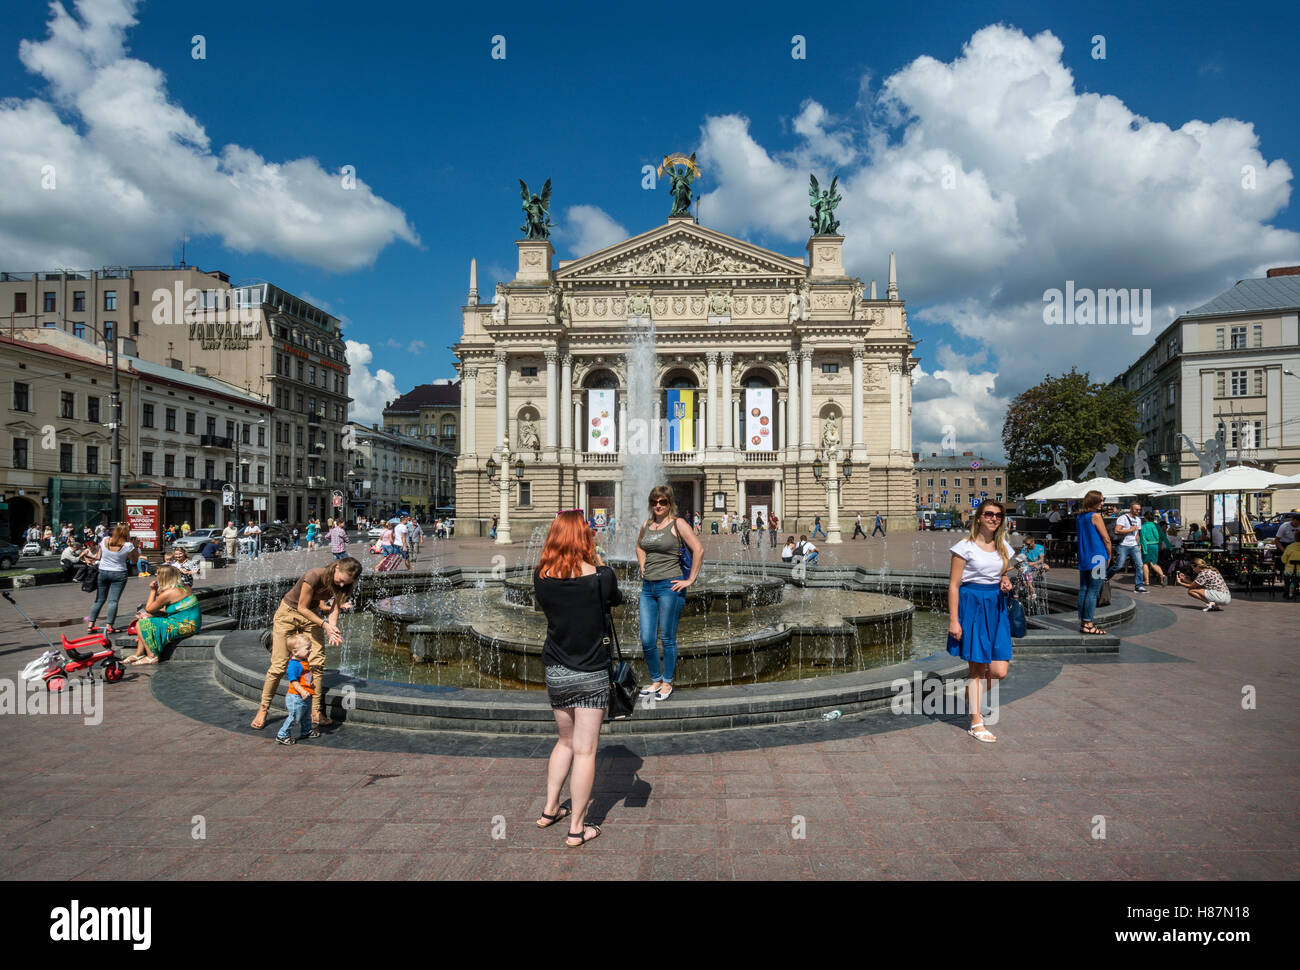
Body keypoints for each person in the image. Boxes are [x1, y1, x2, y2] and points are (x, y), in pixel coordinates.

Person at [530, 510, 623, 847]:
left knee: (564, 742)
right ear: (585, 537)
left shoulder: (541, 576)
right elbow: (616, 599)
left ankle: (550, 809)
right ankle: (578, 828)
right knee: (585, 751)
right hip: (591, 670)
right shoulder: (601, 576)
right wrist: (595, 558)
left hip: (556, 668)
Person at [250, 557, 362, 730]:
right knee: (279, 666)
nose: (341, 585)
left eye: (346, 583)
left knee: (317, 663)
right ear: (337, 568)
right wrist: (324, 625)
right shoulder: (314, 576)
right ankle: (263, 709)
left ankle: (316, 711)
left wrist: (332, 627)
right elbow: (301, 607)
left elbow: (335, 607)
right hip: (288, 614)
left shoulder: (346, 585)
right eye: (340, 581)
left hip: (311, 617)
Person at [945, 499, 1015, 742]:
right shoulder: (964, 547)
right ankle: (976, 722)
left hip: (996, 607)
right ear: (978, 517)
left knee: (999, 670)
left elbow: (1001, 571)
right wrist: (954, 620)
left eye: (998, 515)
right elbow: (953, 586)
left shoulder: (1003, 546)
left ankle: (971, 694)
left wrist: (1004, 580)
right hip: (973, 605)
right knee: (976, 669)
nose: (994, 518)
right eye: (989, 514)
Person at [635, 485, 703, 702]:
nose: (658, 505)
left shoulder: (678, 524)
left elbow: (698, 549)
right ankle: (655, 679)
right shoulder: (646, 525)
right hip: (648, 588)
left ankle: (667, 681)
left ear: (669, 503)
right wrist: (642, 564)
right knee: (646, 639)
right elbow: (639, 547)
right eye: (654, 501)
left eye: (662, 502)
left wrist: (690, 579)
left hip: (669, 587)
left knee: (667, 637)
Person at [121, 565, 203, 665]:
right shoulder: (184, 587)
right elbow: (173, 609)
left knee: (142, 623)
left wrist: (153, 590)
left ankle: (152, 656)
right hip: (190, 623)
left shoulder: (169, 593)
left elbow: (149, 608)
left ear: (164, 577)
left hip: (186, 626)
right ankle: (139, 653)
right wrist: (149, 615)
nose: (156, 576)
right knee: (145, 619)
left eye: (157, 574)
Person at [85, 523, 138, 634]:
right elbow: (134, 561)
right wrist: (135, 547)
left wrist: (86, 556)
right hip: (119, 573)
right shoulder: (128, 545)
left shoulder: (105, 540)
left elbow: (98, 557)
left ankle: (90, 625)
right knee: (113, 601)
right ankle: (109, 626)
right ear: (126, 532)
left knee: (99, 600)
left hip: (103, 572)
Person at [1075, 489, 1113, 635]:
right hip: (1098, 558)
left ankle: (1083, 621)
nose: (1103, 503)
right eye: (1101, 500)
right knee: (1093, 591)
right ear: (1094, 501)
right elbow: (1106, 539)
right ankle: (1089, 623)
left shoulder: (1079, 517)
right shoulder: (1095, 516)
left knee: (1084, 589)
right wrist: (1109, 555)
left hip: (1085, 557)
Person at [276, 635, 320, 745]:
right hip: (296, 696)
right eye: (307, 648)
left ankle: (306, 730)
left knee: (306, 715)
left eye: (310, 647)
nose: (311, 650)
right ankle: (282, 735)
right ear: (295, 651)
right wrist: (302, 691)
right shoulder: (294, 665)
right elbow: (293, 681)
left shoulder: (304, 660)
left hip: (305, 695)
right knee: (294, 717)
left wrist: (310, 684)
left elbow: (305, 676)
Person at [1107, 501, 1147, 593]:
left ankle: (1139, 586)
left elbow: (1137, 534)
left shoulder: (1138, 520)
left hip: (1134, 546)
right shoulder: (1123, 518)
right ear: (1131, 509)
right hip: (1123, 545)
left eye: (1139, 509)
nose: (1138, 511)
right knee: (1119, 566)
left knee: (1139, 565)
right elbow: (1117, 531)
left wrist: (1138, 544)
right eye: (1136, 509)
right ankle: (1105, 578)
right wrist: (1130, 530)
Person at [1140, 512, 1167, 588]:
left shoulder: (1144, 526)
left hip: (1148, 545)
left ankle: (1147, 581)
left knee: (1145, 563)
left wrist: (1143, 548)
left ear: (1145, 518)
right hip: (1155, 545)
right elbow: (1160, 537)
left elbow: (1143, 538)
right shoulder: (1156, 526)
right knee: (1154, 563)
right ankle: (1162, 575)